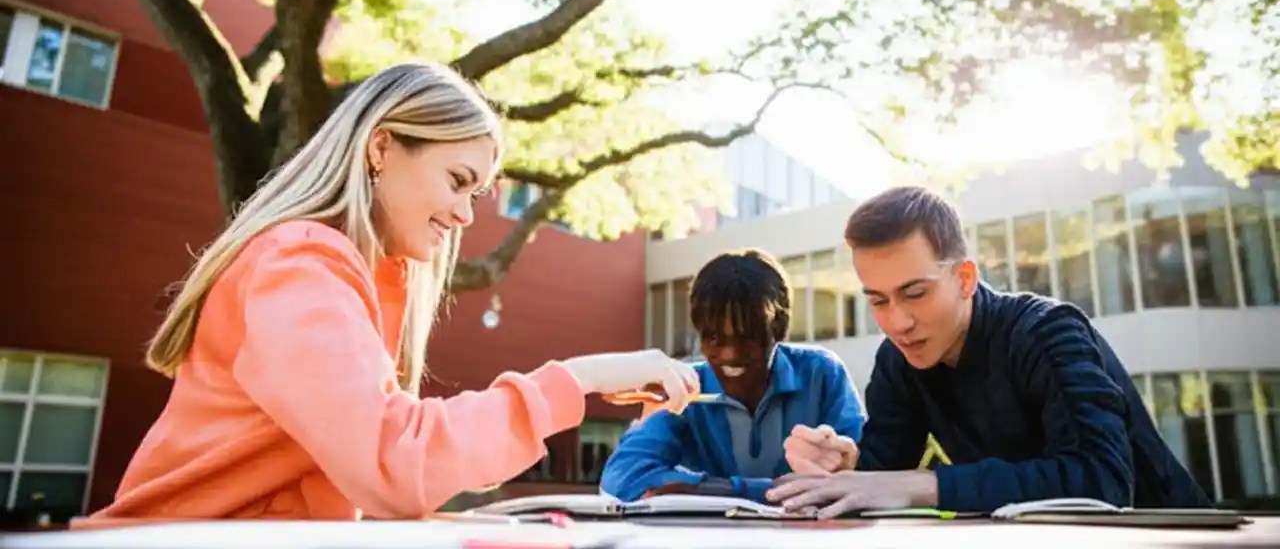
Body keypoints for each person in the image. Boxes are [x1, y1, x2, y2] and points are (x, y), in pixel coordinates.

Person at [86, 63, 699, 522]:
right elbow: (395, 462)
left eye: (477, 196)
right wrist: (579, 378)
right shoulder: (298, 267)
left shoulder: (356, 273)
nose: (465, 215)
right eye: (458, 182)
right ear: (381, 146)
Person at [770, 186, 1210, 518]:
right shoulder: (897, 360)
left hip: (1169, 535)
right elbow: (884, 476)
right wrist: (849, 465)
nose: (898, 322)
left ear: (964, 279)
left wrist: (926, 485)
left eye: (916, 293)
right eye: (878, 301)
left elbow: (1102, 482)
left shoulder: (1048, 332)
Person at [600, 249, 866, 503]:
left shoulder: (822, 373)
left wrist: (848, 462)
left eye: (748, 337)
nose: (730, 354)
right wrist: (778, 489)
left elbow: (868, 472)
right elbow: (621, 480)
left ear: (778, 330)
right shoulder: (683, 387)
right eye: (714, 337)